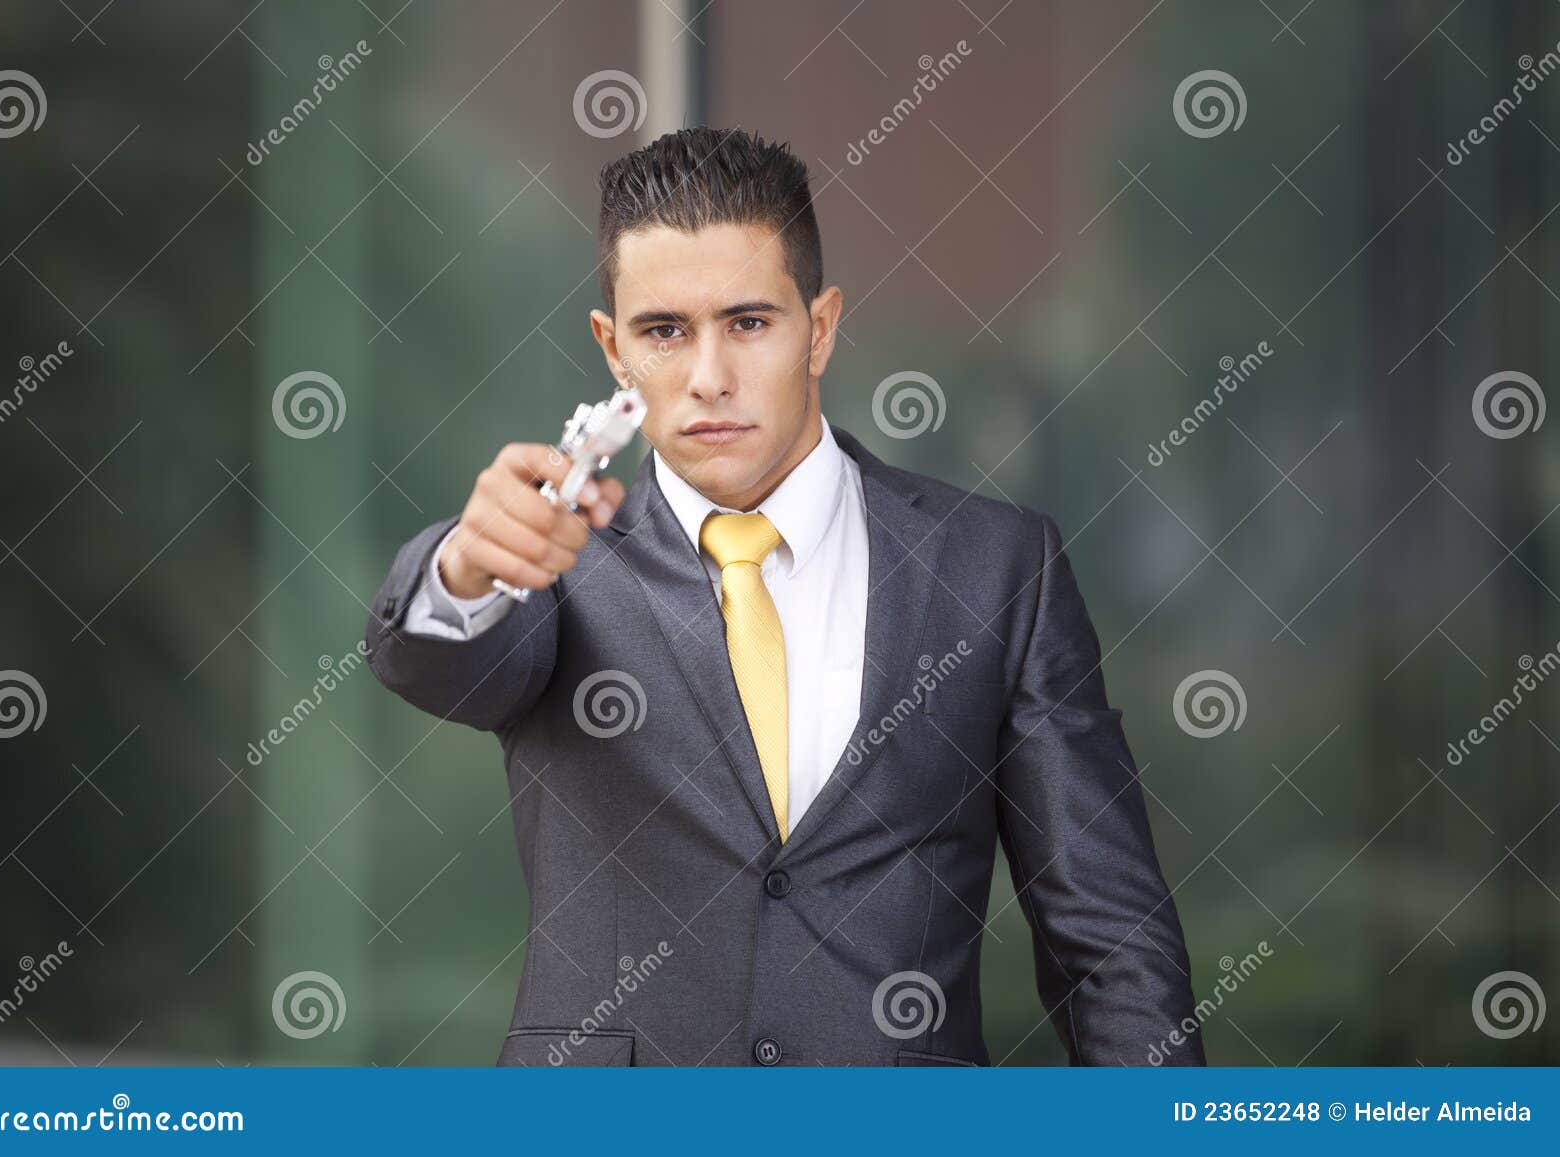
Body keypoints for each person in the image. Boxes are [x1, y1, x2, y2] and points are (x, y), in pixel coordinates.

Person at [365, 126, 1203, 1067]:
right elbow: (437, 660)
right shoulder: (548, 564)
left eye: (749, 323)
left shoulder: (995, 568)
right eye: (664, 332)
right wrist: (465, 566)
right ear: (613, 349)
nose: (709, 378)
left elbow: (1109, 943)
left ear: (822, 326)